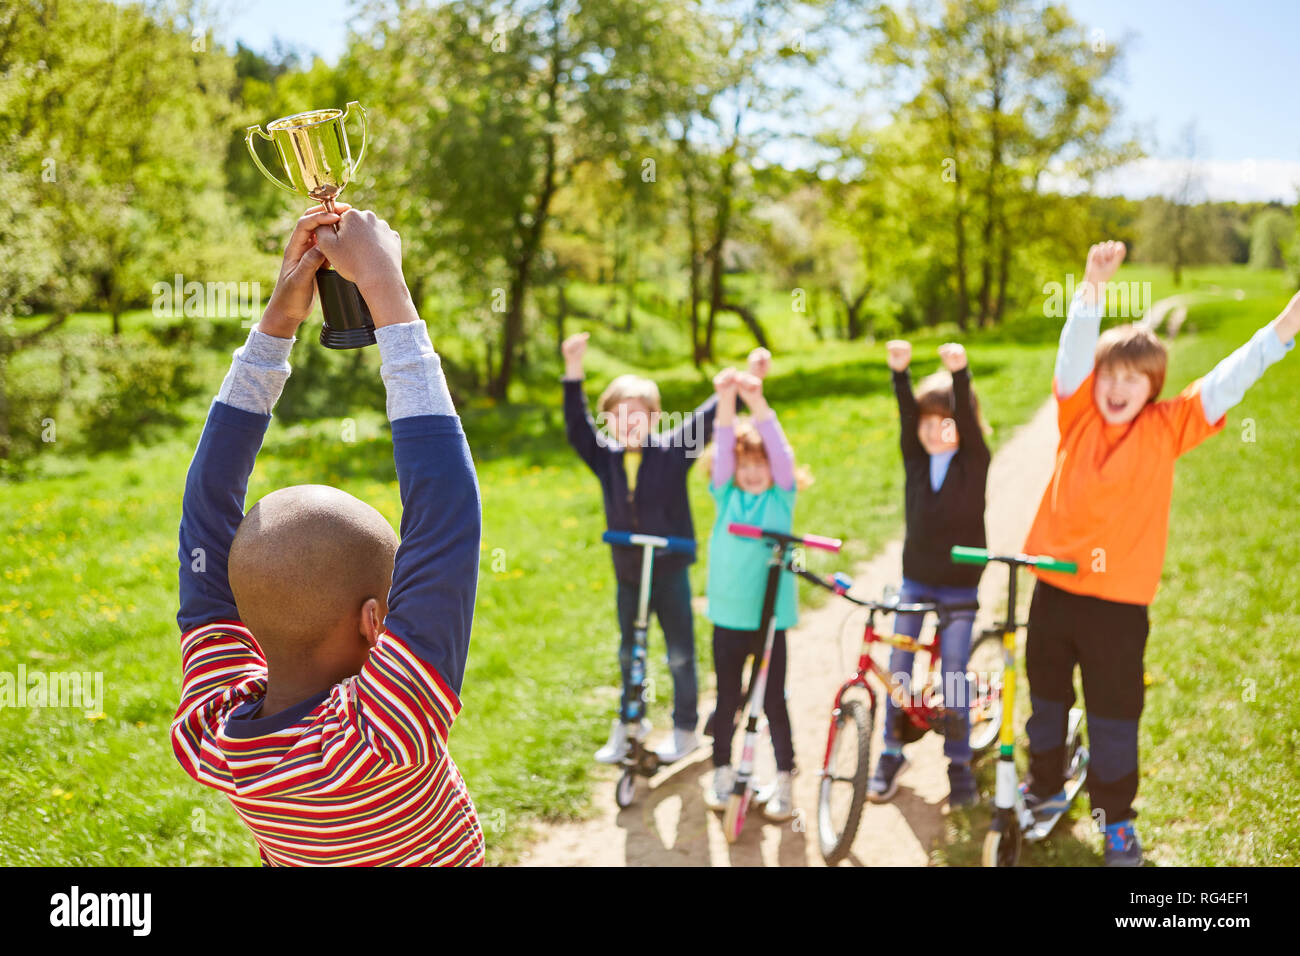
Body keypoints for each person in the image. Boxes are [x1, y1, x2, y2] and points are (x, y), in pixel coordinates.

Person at [173, 204, 484, 865]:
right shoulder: (387, 732)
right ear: (375, 621)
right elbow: (447, 513)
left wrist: (279, 323)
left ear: (243, 616)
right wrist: (383, 285)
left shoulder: (215, 733)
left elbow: (206, 515)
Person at [1021, 240, 1299, 865]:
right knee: (1046, 700)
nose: (1118, 388)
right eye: (1109, 376)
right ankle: (1042, 786)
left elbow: (1231, 378)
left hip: (1118, 604)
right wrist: (1092, 285)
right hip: (1055, 589)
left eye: (1134, 379)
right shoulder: (1077, 416)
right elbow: (1073, 352)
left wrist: (1283, 328)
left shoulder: (1168, 425)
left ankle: (1115, 819)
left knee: (1115, 715)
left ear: (1153, 387)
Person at [561, 332, 768, 766]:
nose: (628, 424)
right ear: (609, 422)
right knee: (628, 650)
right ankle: (629, 723)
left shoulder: (673, 450)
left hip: (670, 568)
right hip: (629, 571)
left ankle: (685, 727)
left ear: (655, 418)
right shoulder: (606, 457)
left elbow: (706, 420)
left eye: (637, 416)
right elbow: (576, 426)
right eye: (618, 417)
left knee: (679, 652)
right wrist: (573, 369)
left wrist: (740, 383)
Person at [868, 340, 991, 808]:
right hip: (916, 579)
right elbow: (905, 417)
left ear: (962, 423)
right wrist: (899, 374)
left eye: (946, 421)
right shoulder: (916, 461)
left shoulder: (974, 461)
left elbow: (967, 425)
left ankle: (958, 762)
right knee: (899, 667)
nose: (933, 430)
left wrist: (960, 373)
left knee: (954, 671)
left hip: (960, 583)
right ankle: (891, 750)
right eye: (926, 421)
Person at [701, 367, 809, 821]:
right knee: (728, 697)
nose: (750, 473)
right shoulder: (726, 495)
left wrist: (757, 400)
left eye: (758, 465)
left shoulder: (780, 498)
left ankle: (784, 778)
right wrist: (726, 399)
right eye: (744, 465)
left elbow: (780, 453)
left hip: (770, 620)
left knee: (773, 701)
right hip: (728, 614)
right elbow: (724, 445)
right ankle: (723, 770)